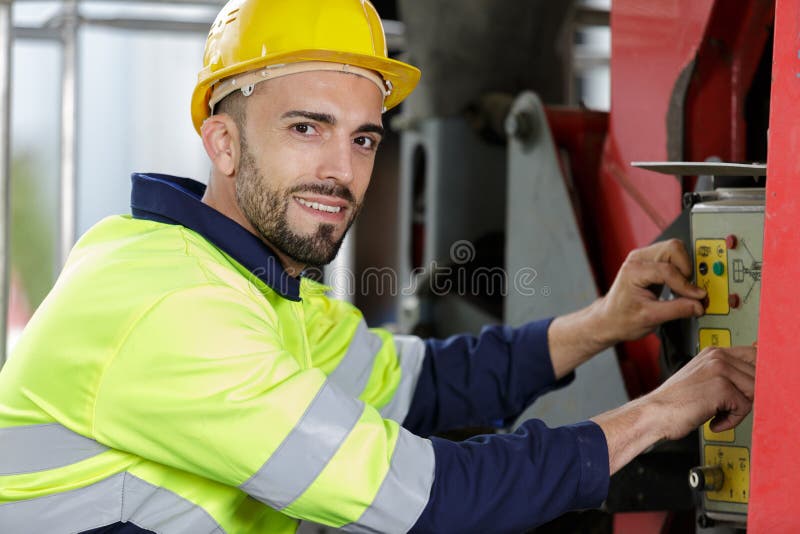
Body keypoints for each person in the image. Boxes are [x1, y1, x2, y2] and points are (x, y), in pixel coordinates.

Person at [0, 1, 756, 533]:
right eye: (307, 127)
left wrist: (602, 322)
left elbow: (429, 384)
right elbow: (429, 497)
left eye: (363, 139)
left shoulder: (257, 286)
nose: (341, 171)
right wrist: (660, 410)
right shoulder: (177, 311)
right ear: (222, 143)